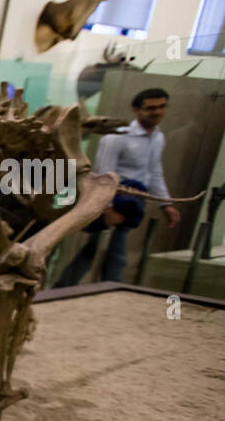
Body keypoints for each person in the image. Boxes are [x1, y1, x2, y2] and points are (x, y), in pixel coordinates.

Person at [56, 88, 180, 286]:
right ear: (136, 110)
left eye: (161, 107)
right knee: (106, 254)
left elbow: (154, 172)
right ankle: (68, 290)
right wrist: (106, 208)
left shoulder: (158, 138)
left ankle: (77, 290)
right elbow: (103, 173)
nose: (157, 112)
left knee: (106, 253)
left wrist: (165, 204)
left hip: (131, 203)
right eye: (151, 108)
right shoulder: (116, 137)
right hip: (109, 202)